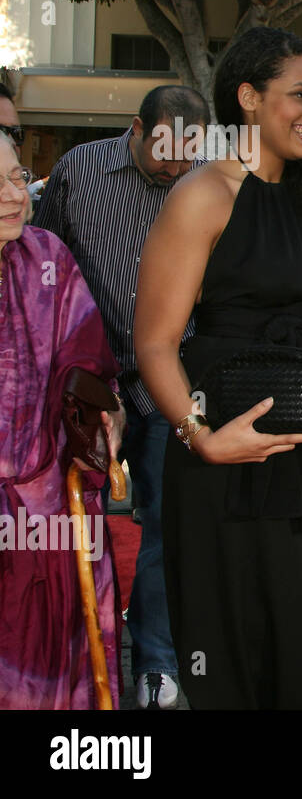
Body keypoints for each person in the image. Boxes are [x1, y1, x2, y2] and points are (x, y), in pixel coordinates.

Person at [135, 27, 302, 709]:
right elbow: (154, 343)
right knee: (242, 647)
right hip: (228, 460)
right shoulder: (203, 195)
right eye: (298, 94)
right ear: (248, 98)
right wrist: (201, 436)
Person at [34, 84, 209, 709]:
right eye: (164, 153)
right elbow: (43, 256)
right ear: (136, 128)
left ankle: (156, 666)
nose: (173, 169)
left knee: (163, 524)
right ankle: (73, 657)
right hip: (91, 382)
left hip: (171, 382)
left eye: (185, 158)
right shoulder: (81, 169)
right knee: (69, 521)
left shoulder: (209, 179)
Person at [0, 132, 125, 708]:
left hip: (54, 495)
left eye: (18, 177)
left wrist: (103, 414)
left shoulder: (48, 254)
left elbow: (87, 355)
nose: (13, 195)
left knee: (60, 649)